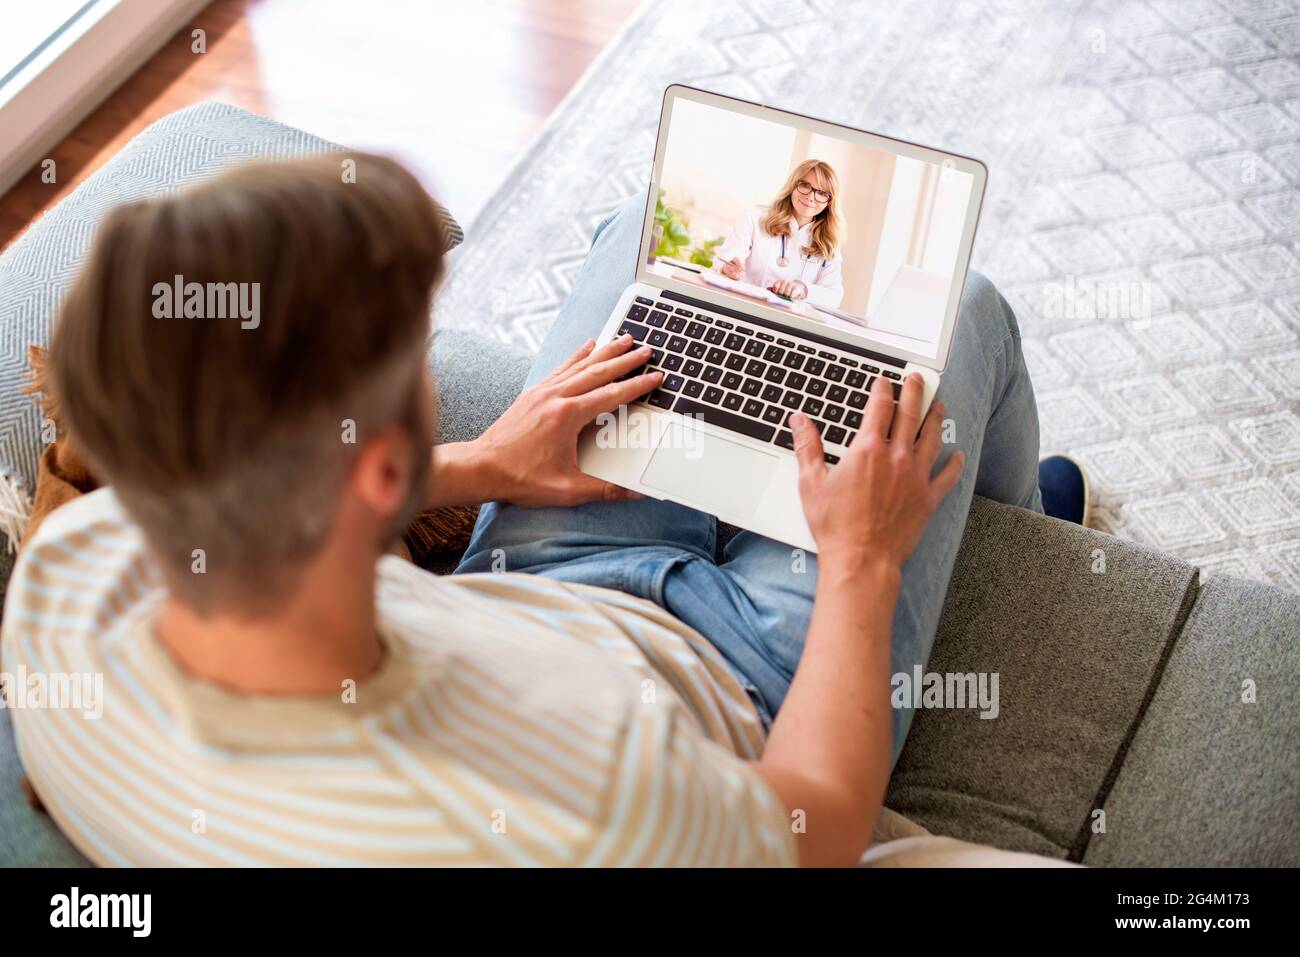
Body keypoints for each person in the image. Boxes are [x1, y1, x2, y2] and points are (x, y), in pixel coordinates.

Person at [3, 154, 1085, 867]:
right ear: (375, 474)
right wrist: (861, 561)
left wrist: (485, 463)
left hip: (534, 576)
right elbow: (812, 824)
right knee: (962, 313)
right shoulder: (585, 802)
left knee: (641, 234)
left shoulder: (72, 587)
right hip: (750, 679)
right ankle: (1013, 523)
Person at [714, 158, 845, 307]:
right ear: (793, 186)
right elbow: (725, 258)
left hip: (788, 321)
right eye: (805, 185)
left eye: (821, 193)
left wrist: (804, 289)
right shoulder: (755, 218)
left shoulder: (829, 243)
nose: (810, 196)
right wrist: (729, 267)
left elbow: (834, 297)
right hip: (741, 307)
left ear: (830, 202)